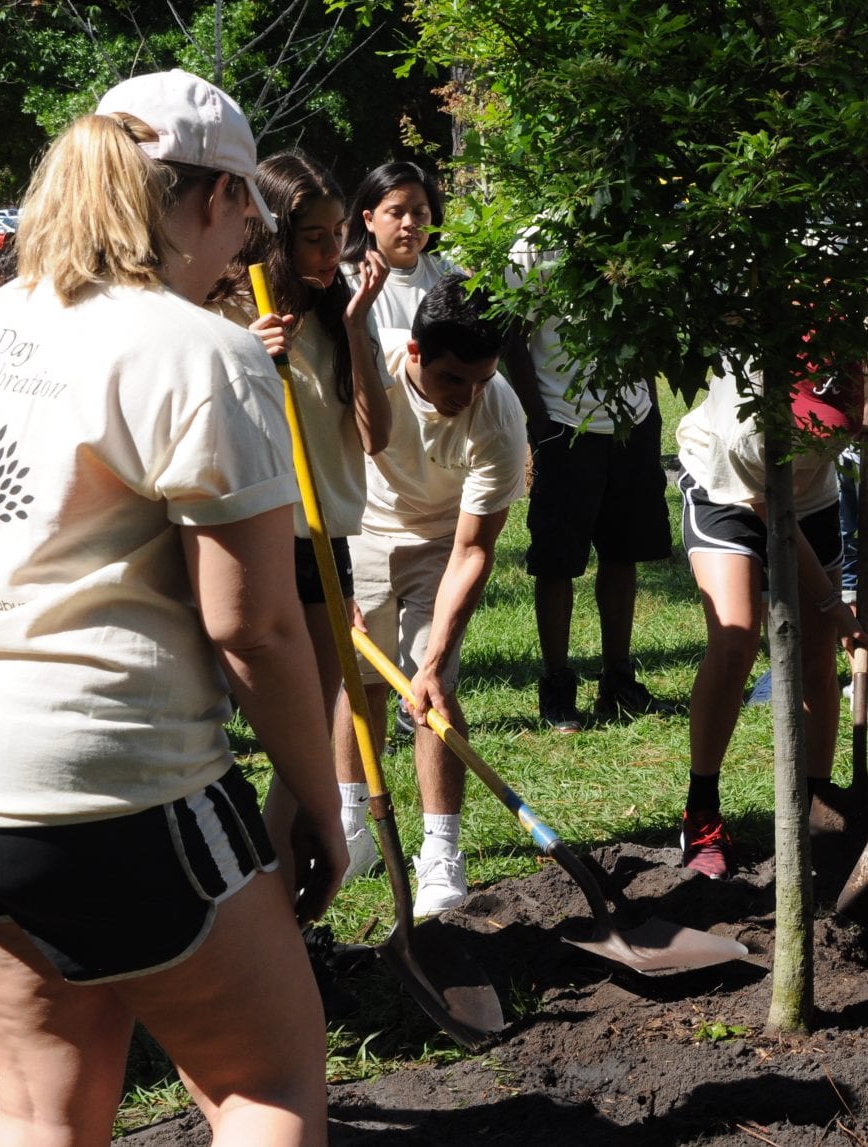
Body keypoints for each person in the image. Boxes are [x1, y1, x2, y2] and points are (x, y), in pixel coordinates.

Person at [0, 68, 344, 1145]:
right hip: (106, 795)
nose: (244, 254)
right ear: (211, 197)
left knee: (43, 1105)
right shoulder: (197, 352)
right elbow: (252, 625)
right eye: (246, 222)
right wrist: (317, 796)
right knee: (266, 1091)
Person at [218, 151, 393, 881]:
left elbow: (375, 435)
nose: (333, 252)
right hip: (255, 541)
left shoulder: (338, 312)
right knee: (245, 731)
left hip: (328, 542)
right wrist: (247, 358)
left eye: (338, 234)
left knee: (312, 737)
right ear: (274, 237)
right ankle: (241, 894)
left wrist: (356, 327)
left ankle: (280, 896)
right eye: (314, 237)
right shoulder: (229, 309)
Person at [351, 273, 527, 916]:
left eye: (482, 378)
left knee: (435, 690)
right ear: (418, 354)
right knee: (357, 681)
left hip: (442, 542)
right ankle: (352, 832)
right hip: (360, 526)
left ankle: (440, 853)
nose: (469, 395)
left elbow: (474, 549)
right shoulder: (374, 363)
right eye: (456, 379)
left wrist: (429, 662)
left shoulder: (499, 414)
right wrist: (332, 579)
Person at [673, 364, 868, 877]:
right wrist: (834, 603)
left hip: (812, 498)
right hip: (730, 491)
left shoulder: (841, 350)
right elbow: (774, 517)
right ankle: (701, 813)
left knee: (815, 655)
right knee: (735, 638)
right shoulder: (747, 422)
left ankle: (815, 810)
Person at [503, 231, 676, 732]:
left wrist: (647, 407)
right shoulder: (535, 240)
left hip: (632, 421)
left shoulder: (637, 226)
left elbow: (648, 327)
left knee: (622, 553)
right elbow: (513, 332)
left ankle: (617, 680)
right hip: (563, 419)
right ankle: (557, 688)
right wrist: (539, 420)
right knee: (557, 561)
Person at [340, 161, 459, 332]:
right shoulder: (347, 282)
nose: (410, 223)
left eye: (419, 213)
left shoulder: (449, 275)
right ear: (369, 219)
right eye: (396, 213)